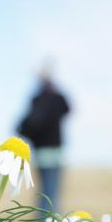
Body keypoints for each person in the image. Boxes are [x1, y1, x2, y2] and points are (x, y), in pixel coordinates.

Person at [17, 72, 70, 214]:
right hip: (53, 154)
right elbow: (68, 109)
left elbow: (24, 126)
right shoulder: (56, 99)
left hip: (40, 154)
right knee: (51, 193)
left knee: (44, 193)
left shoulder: (36, 100)